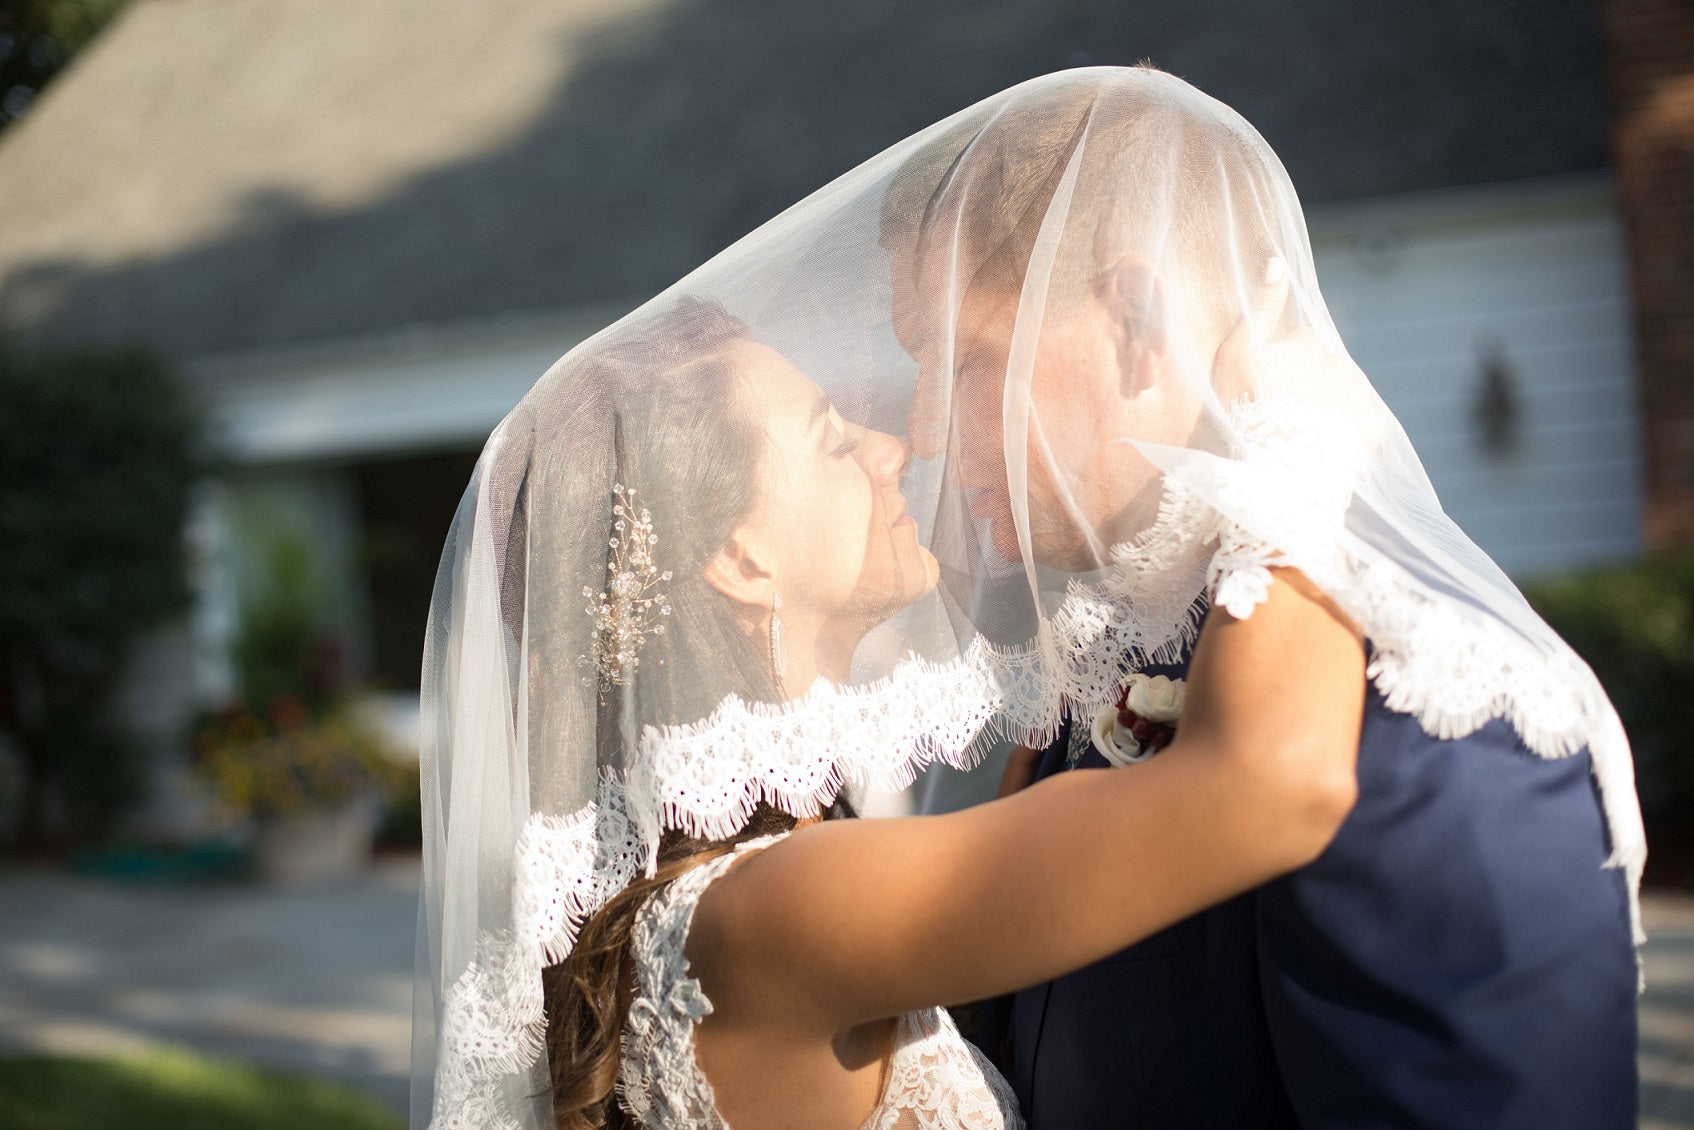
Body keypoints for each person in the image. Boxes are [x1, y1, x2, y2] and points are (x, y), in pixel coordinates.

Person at [413, 283, 1366, 1127]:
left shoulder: (741, 890)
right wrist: (1287, 442)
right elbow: (1276, 783)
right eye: (834, 438)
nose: (895, 445)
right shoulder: (778, 905)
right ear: (743, 562)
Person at [887, 66, 1643, 1128]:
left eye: (965, 359)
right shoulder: (1107, 669)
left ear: (1138, 327)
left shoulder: (1424, 720)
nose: (921, 428)